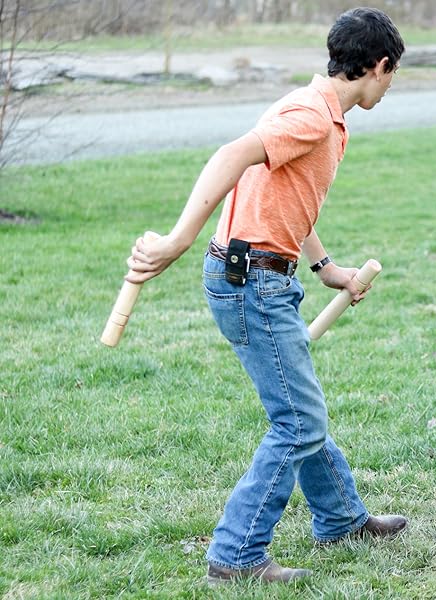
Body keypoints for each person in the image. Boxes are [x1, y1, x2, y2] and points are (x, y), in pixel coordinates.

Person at [123, 7, 407, 585]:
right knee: (298, 420)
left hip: (265, 273)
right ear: (378, 66)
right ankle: (236, 555)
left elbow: (285, 198)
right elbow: (230, 156)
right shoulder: (309, 116)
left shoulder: (316, 110)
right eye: (392, 74)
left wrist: (325, 266)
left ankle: (341, 519)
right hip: (250, 280)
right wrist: (178, 239)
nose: (390, 84)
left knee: (301, 407)